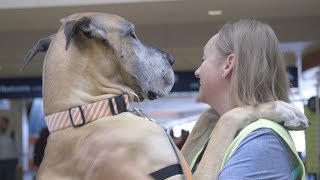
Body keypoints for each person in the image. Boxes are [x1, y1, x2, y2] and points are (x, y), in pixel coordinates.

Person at [73, 18, 307, 179]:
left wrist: (230, 120)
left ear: (228, 65)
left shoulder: (262, 141)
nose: (197, 71)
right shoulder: (216, 126)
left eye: (204, 59)